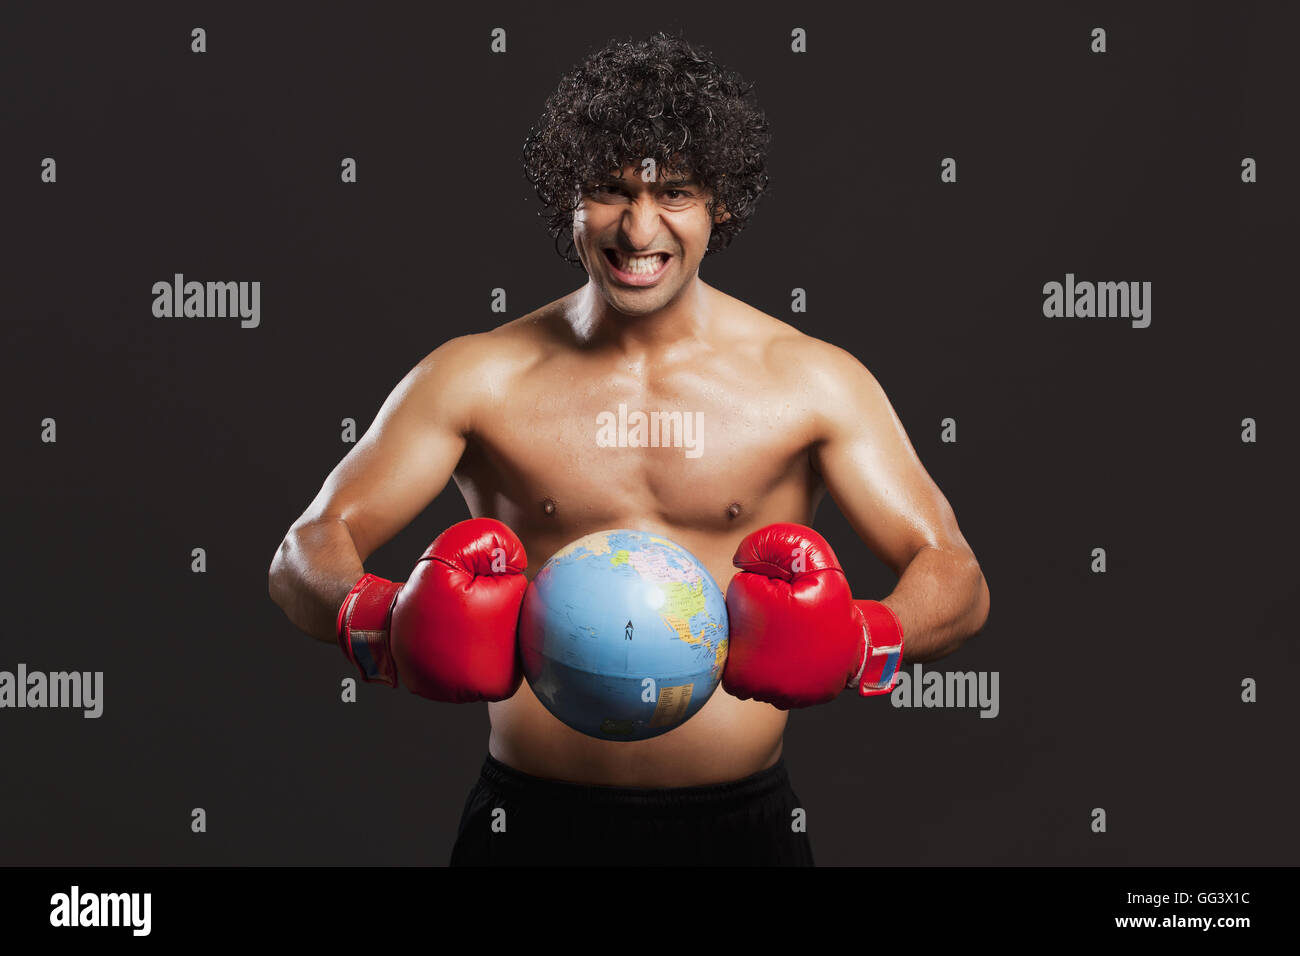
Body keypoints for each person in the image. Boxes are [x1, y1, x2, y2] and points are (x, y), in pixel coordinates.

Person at [268, 31, 989, 866]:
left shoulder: (812, 382)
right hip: (529, 827)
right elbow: (301, 556)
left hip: (738, 832)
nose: (639, 227)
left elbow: (959, 579)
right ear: (570, 200)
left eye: (674, 191)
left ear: (721, 203)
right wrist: (383, 620)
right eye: (610, 190)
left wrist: (868, 638)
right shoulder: (476, 375)